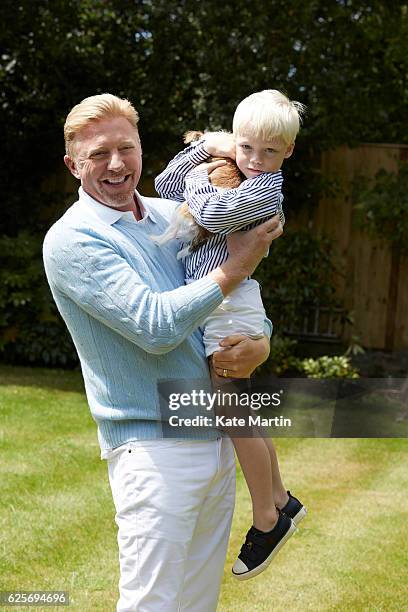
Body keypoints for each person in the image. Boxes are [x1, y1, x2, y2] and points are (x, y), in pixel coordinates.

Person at [42, 93, 283, 612]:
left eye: (126, 149)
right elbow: (156, 326)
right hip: (152, 451)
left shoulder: (166, 214)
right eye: (98, 154)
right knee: (151, 604)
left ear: (141, 150)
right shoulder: (73, 241)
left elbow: (226, 302)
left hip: (214, 439)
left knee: (197, 604)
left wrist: (259, 342)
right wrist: (235, 268)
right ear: (72, 165)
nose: (115, 164)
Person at [154, 90, 307, 580]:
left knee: (230, 408)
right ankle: (282, 498)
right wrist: (211, 148)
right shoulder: (233, 163)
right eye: (246, 147)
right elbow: (164, 178)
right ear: (234, 140)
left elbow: (214, 215)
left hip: (231, 300)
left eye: (269, 151)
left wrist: (203, 175)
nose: (256, 160)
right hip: (218, 297)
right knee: (236, 406)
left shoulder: (266, 189)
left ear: (287, 153)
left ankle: (267, 516)